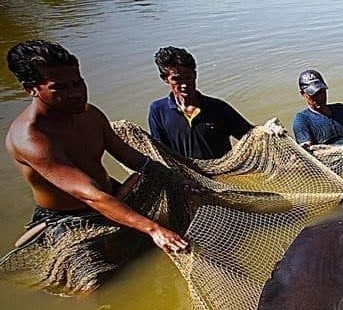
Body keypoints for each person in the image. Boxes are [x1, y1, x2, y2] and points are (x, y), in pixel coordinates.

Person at [5, 40, 188, 254]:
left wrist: (175, 178)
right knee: (91, 285)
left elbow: (132, 158)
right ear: (31, 89)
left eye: (77, 83)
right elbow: (90, 194)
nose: (75, 93)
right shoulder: (30, 138)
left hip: (114, 195)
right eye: (59, 88)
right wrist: (153, 228)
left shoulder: (90, 113)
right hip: (71, 219)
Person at [148, 46, 254, 159]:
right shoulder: (158, 111)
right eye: (177, 79)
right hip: (183, 175)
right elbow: (160, 152)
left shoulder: (218, 107)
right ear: (164, 79)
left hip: (223, 172)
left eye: (188, 78)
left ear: (195, 75)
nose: (184, 85)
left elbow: (251, 136)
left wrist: (268, 130)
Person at [292, 69, 343, 153]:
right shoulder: (301, 119)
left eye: (321, 92)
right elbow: (307, 150)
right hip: (328, 162)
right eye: (313, 94)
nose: (319, 97)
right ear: (303, 94)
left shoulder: (340, 109)